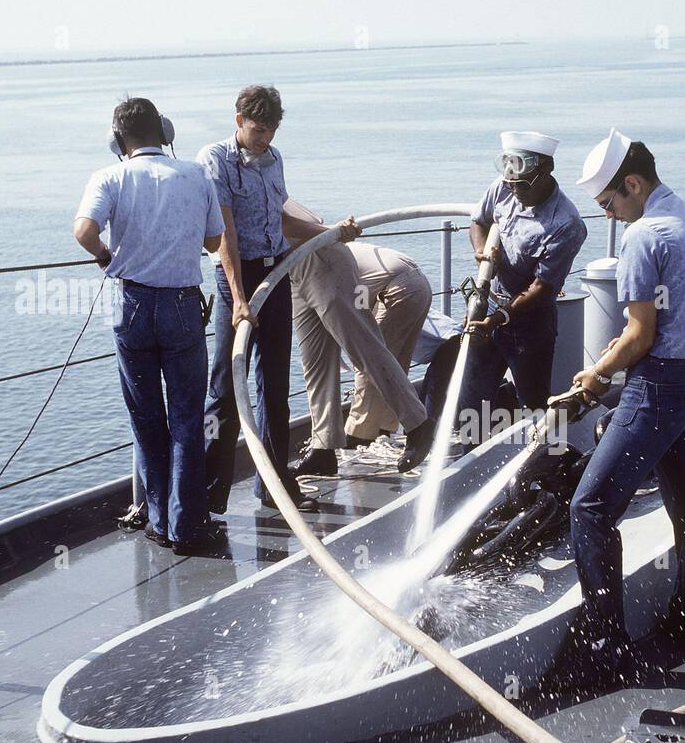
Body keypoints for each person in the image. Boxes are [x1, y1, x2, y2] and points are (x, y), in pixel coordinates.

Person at [564, 129, 685, 667]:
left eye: (609, 203)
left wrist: (594, 374)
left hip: (656, 385)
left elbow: (639, 336)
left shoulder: (644, 237)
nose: (610, 216)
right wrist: (620, 353)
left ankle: (605, 642)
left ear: (632, 184)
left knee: (590, 508)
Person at [74, 97, 226, 557]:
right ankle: (187, 527)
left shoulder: (110, 177)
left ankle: (158, 521)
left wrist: (107, 256)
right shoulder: (197, 175)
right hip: (182, 305)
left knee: (146, 418)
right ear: (165, 131)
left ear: (118, 140)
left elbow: (84, 231)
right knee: (186, 418)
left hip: (131, 303)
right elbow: (215, 240)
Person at [198, 85, 325, 514]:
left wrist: (328, 232)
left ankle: (274, 485)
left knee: (274, 384)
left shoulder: (274, 160)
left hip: (276, 272)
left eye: (270, 130)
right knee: (226, 383)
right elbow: (225, 234)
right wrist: (238, 299)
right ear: (238, 121)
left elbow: (281, 218)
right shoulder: (215, 160)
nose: (264, 138)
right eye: (257, 130)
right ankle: (208, 491)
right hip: (238, 276)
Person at [460, 131, 588, 446]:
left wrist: (501, 317)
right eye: (510, 183)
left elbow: (543, 288)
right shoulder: (503, 188)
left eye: (523, 184)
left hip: (530, 322)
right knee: (471, 400)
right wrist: (482, 252)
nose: (515, 190)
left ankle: (537, 463)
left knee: (533, 403)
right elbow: (479, 221)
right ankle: (470, 460)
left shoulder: (566, 224)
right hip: (488, 304)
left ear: (546, 170)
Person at [290, 239, 436, 476]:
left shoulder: (325, 256)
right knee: (392, 359)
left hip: (397, 286)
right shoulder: (341, 251)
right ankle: (333, 444)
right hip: (414, 281)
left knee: (367, 356)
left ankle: (365, 433)